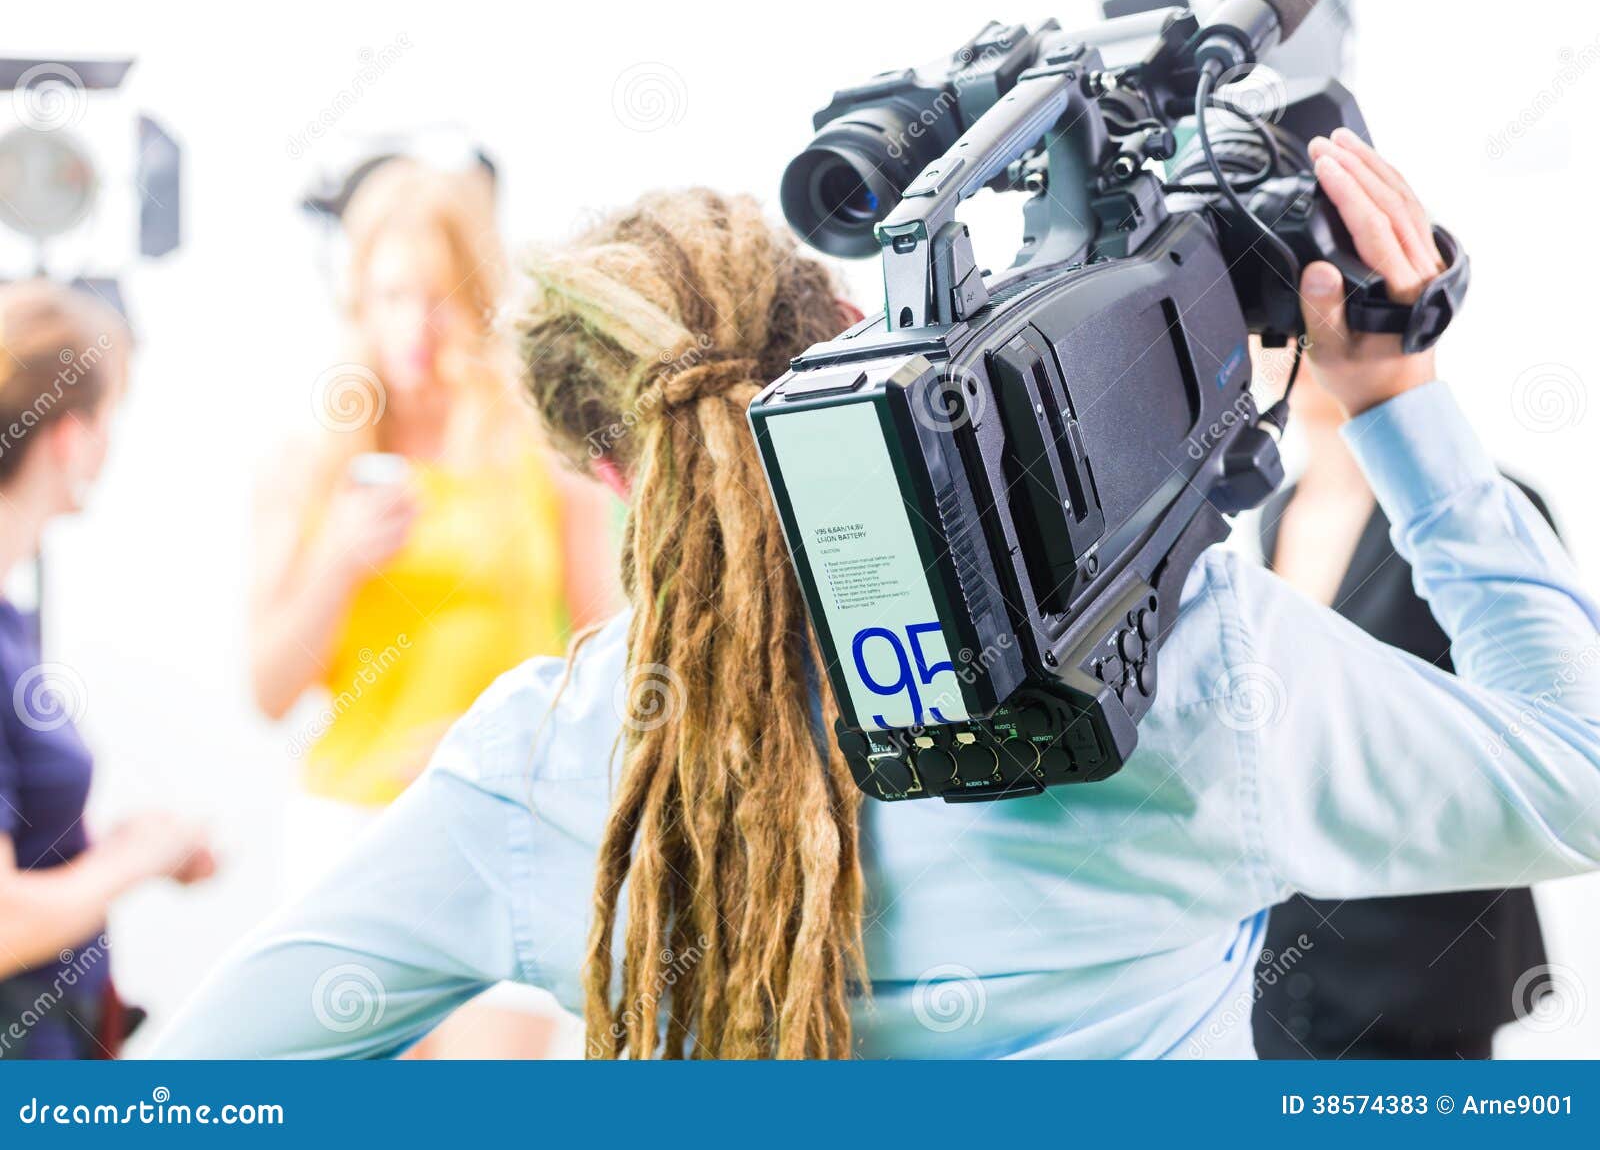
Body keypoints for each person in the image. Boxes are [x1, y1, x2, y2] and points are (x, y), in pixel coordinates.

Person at [156, 132, 1600, 1060]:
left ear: (602, 471)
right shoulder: (1179, 660)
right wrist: (1399, 398)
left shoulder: (549, 762)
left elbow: (198, 1087)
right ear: (852, 337)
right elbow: (1576, 777)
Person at [249, 160, 616, 1057]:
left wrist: (493, 737)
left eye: (441, 299)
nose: (417, 326)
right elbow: (267, 686)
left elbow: (613, 657)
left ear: (480, 303)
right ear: (358, 302)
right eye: (393, 297)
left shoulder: (542, 453)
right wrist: (337, 560)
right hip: (354, 829)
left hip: (508, 823)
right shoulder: (314, 461)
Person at [1249, 365, 1551, 1059]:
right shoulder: (1273, 514)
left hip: (1426, 975)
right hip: (1290, 961)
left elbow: (1542, 742)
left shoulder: (1481, 517)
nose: (1306, 343)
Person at [0, 281, 215, 1059]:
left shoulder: (13, 623)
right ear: (70, 436)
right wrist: (136, 859)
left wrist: (117, 847)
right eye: (109, 418)